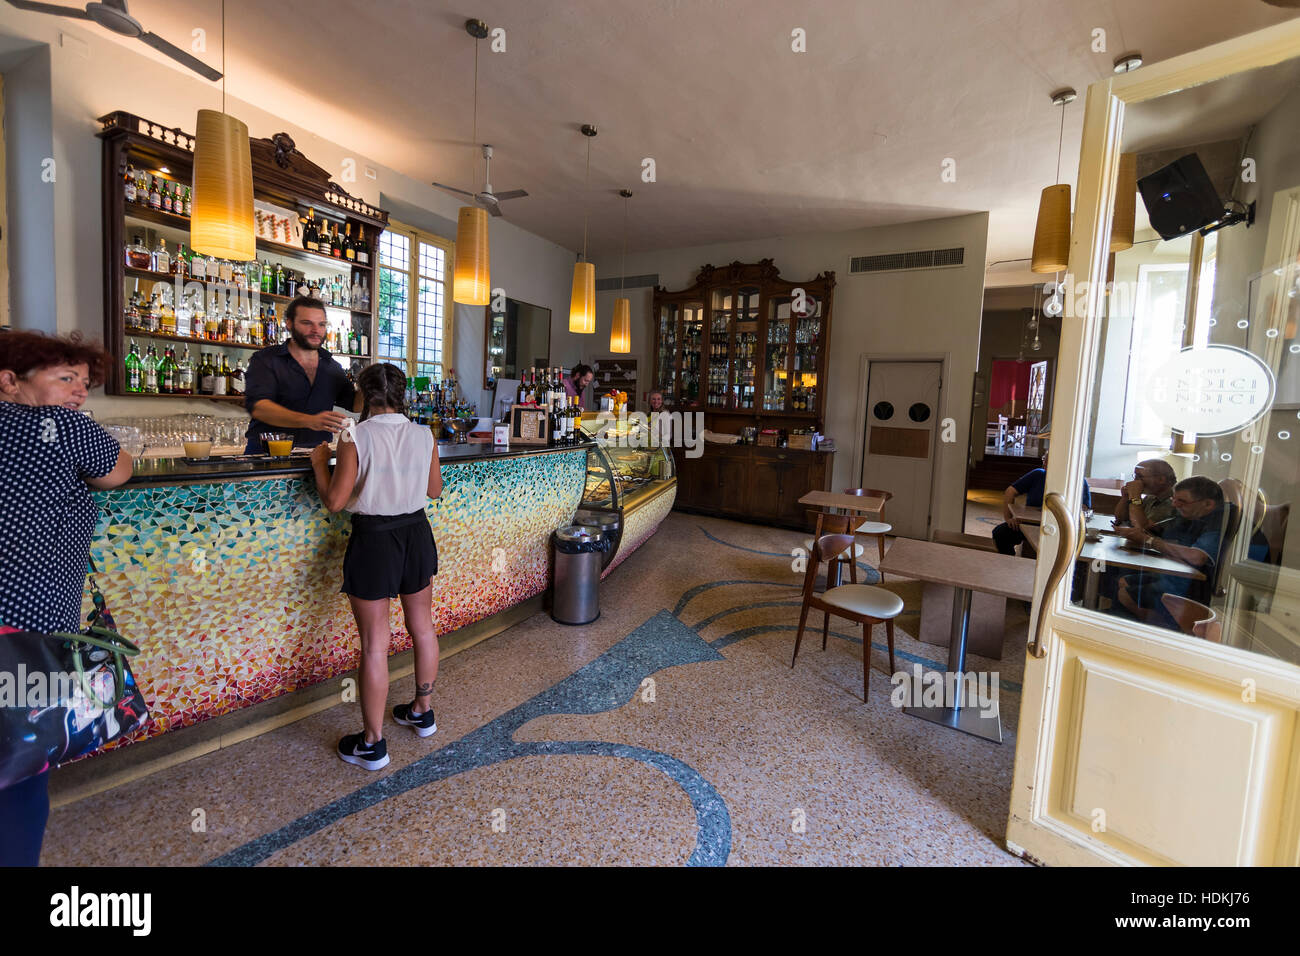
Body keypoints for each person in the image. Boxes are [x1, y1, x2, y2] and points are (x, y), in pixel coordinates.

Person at [0, 330, 133, 865]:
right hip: (29, 628)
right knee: (19, 769)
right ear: (9, 381)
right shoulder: (64, 427)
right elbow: (120, 470)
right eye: (64, 378)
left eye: (83, 380)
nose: (79, 390)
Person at [310, 363, 442, 771]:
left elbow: (334, 501)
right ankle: (422, 710)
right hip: (417, 535)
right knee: (422, 627)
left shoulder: (354, 435)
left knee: (375, 644)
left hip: (375, 540)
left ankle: (372, 743)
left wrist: (319, 462)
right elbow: (433, 490)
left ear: (363, 397)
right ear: (404, 396)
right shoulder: (424, 434)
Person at [242, 296, 360, 453]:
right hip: (267, 455)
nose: (316, 330)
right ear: (289, 323)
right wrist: (310, 421)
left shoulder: (332, 366)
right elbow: (259, 407)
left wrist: (374, 384)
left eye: (321, 324)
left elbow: (355, 405)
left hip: (316, 458)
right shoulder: (266, 359)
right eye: (307, 323)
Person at [992, 453, 1091, 555]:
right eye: (1044, 460)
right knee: (1000, 533)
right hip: (1030, 523)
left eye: (1048, 461)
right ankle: (1010, 562)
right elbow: (1010, 491)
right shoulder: (1038, 475)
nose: (1044, 464)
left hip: (1061, 527)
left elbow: (1084, 509)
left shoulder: (1079, 481)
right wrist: (1009, 518)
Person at [1113, 458, 1177, 531]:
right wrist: (1125, 497)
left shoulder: (1175, 501)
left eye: (1140, 476)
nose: (1135, 481)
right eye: (1135, 476)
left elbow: (1142, 528)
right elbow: (1121, 518)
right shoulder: (1151, 497)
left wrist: (1135, 496)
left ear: (1161, 480)